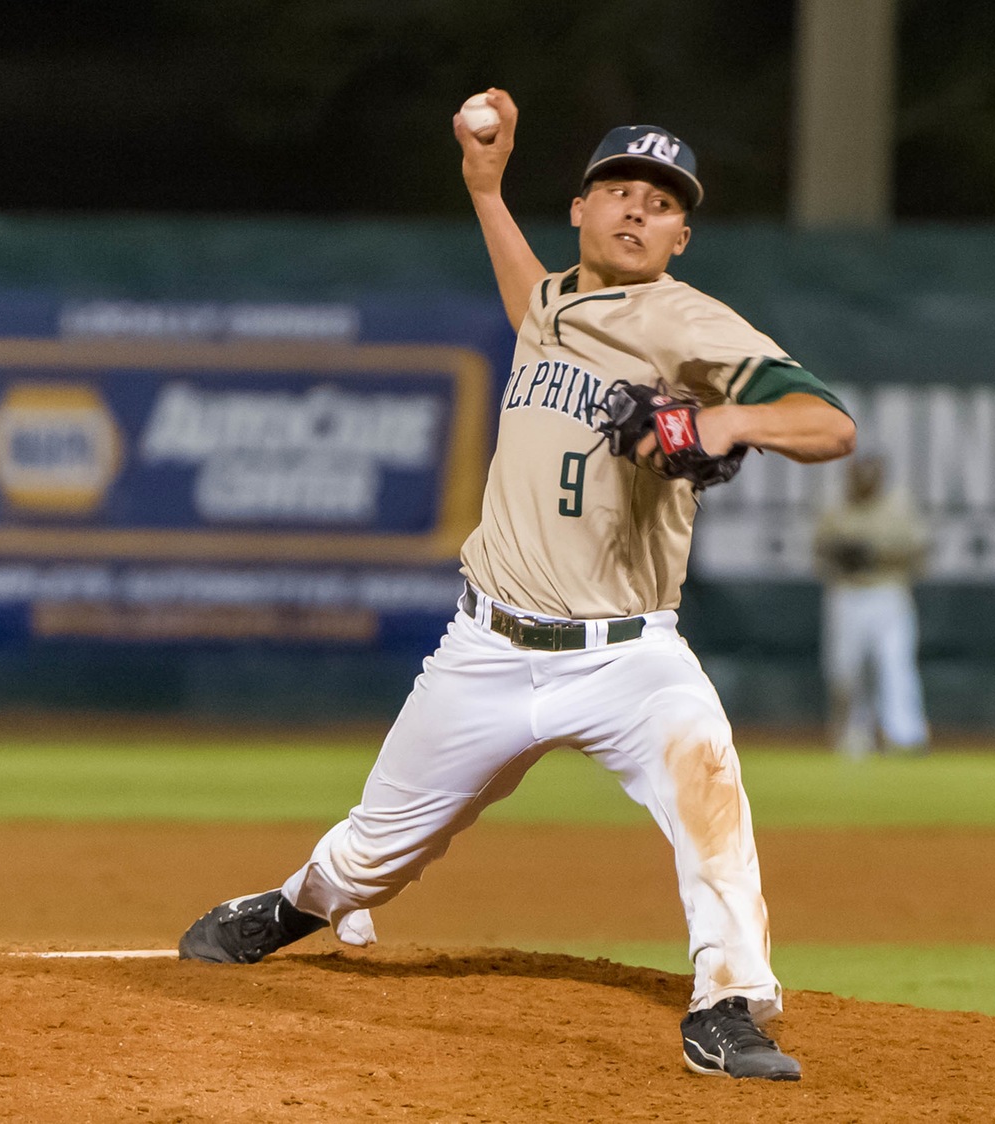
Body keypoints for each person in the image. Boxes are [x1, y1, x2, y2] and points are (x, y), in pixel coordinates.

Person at [175, 89, 855, 1083]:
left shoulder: (686, 321)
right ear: (578, 209)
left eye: (660, 201)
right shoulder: (551, 306)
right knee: (375, 851)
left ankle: (731, 1003)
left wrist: (729, 423)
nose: (635, 208)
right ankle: (301, 902)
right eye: (617, 188)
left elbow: (828, 423)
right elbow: (527, 300)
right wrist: (485, 188)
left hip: (627, 653)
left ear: (681, 235)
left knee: (709, 787)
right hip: (485, 648)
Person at [813, 455, 930, 757]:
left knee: (896, 664)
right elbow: (818, 552)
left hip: (888, 592)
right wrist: (842, 554)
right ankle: (852, 735)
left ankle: (904, 735)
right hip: (847, 593)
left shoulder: (898, 505)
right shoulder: (835, 505)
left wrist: (877, 554)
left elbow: (919, 553)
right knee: (845, 669)